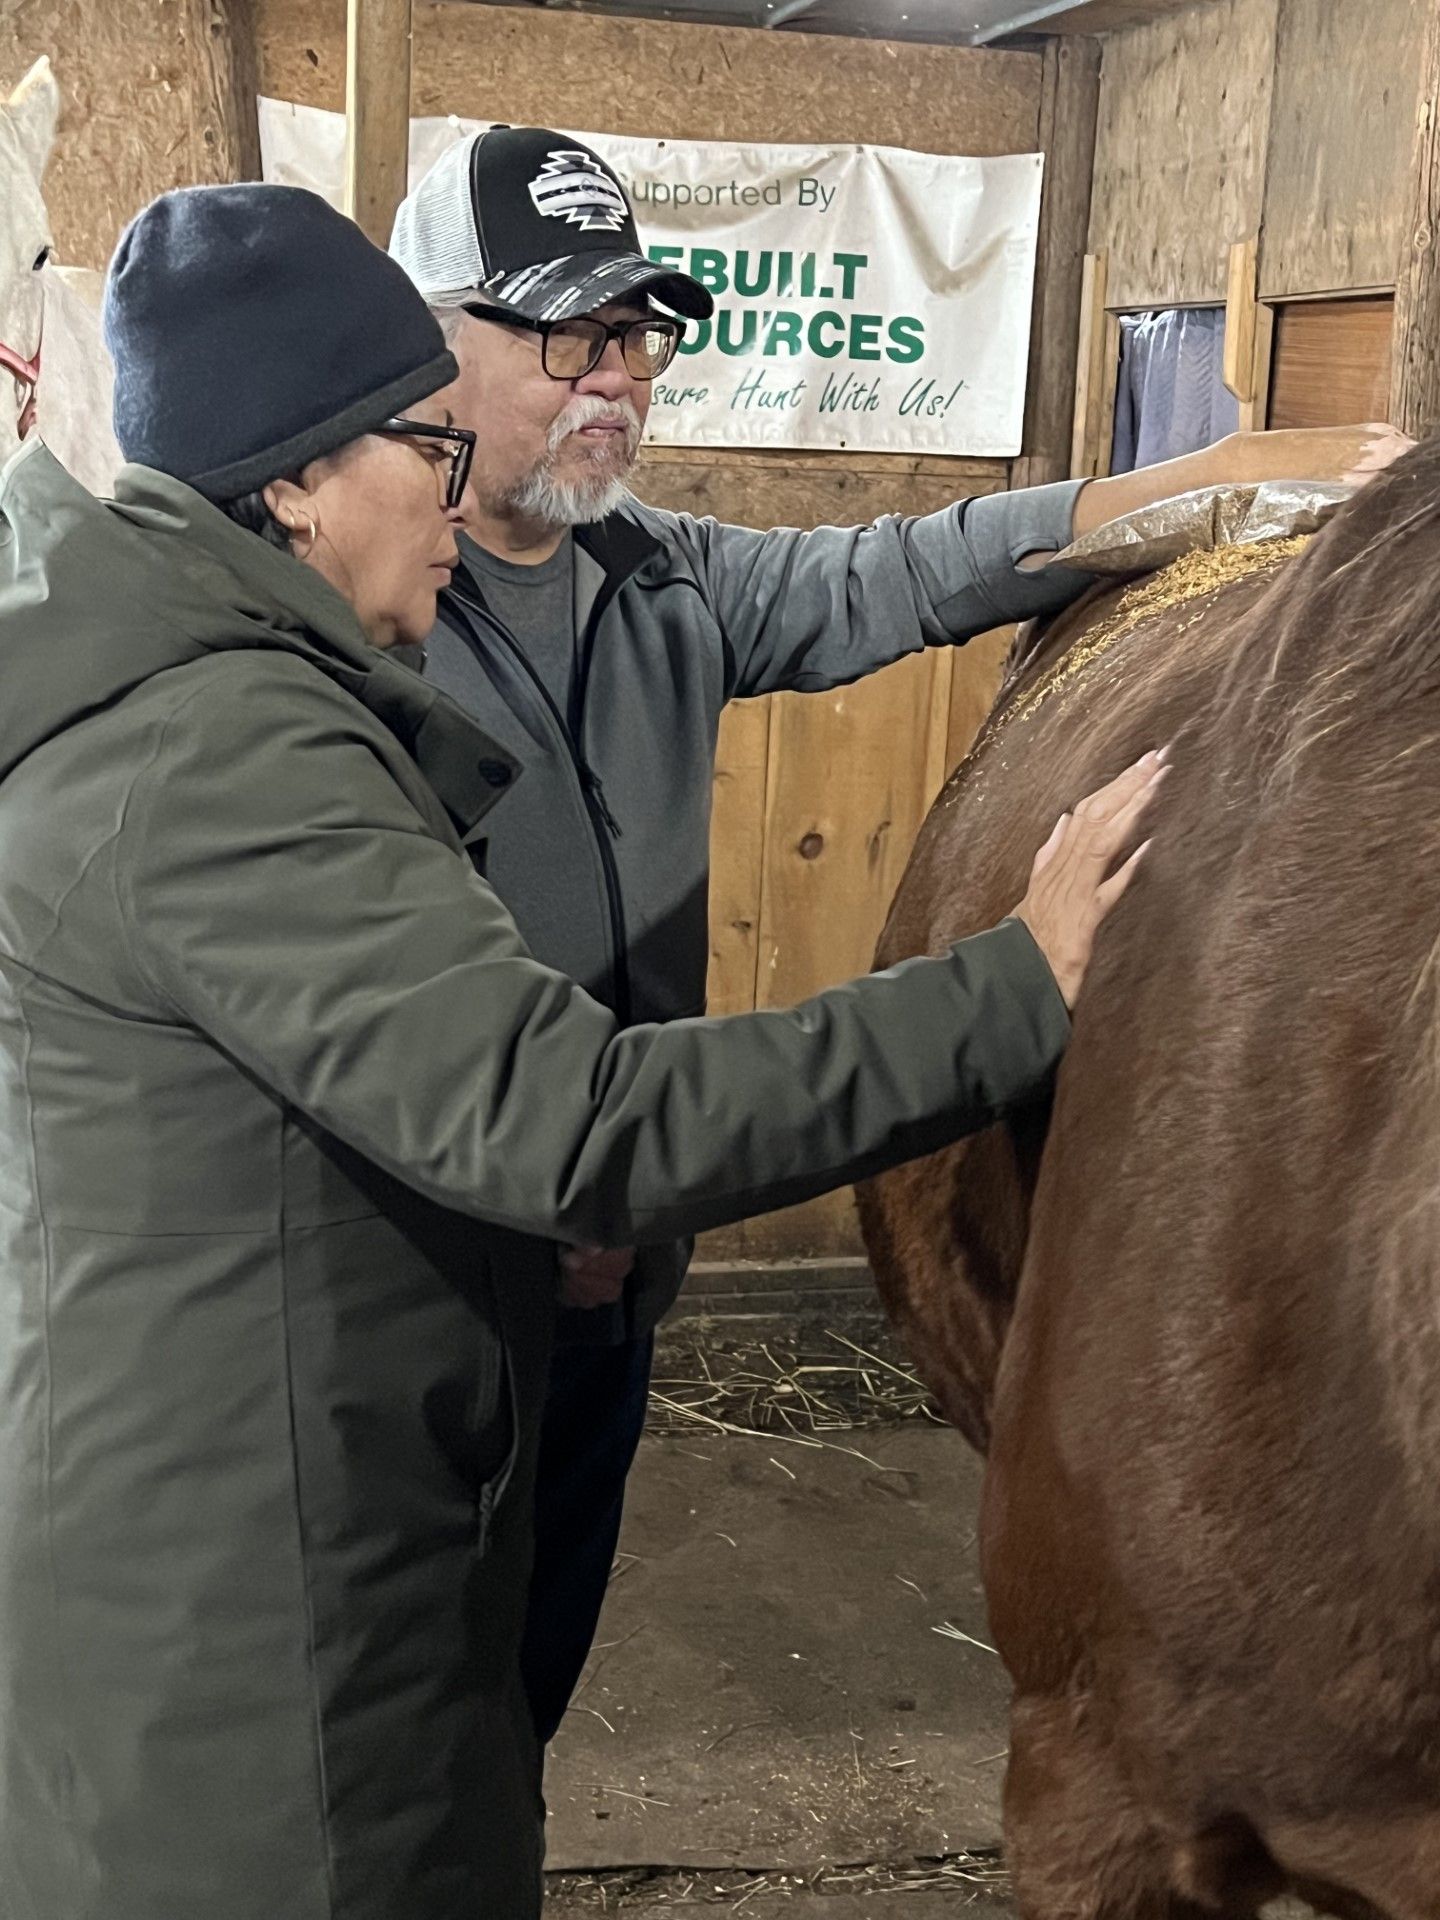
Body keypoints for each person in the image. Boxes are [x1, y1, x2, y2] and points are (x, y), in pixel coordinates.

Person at [0, 182, 1161, 1920]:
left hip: (363, 1427)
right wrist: (1013, 986)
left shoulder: (306, 654)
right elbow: (570, 1115)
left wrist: (1141, 506)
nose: (458, 495)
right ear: (301, 474)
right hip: (263, 1583)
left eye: (642, 338)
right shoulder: (226, 757)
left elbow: (883, 574)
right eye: (430, 445)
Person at [387, 124, 1413, 1748]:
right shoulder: (352, 617)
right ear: (423, 340)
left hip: (601, 1286)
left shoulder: (657, 580)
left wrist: (1194, 484)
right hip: (417, 1299)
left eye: (638, 338)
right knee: (382, 1738)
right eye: (567, 336)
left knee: (512, 1713)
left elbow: (903, 572)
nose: (617, 379)